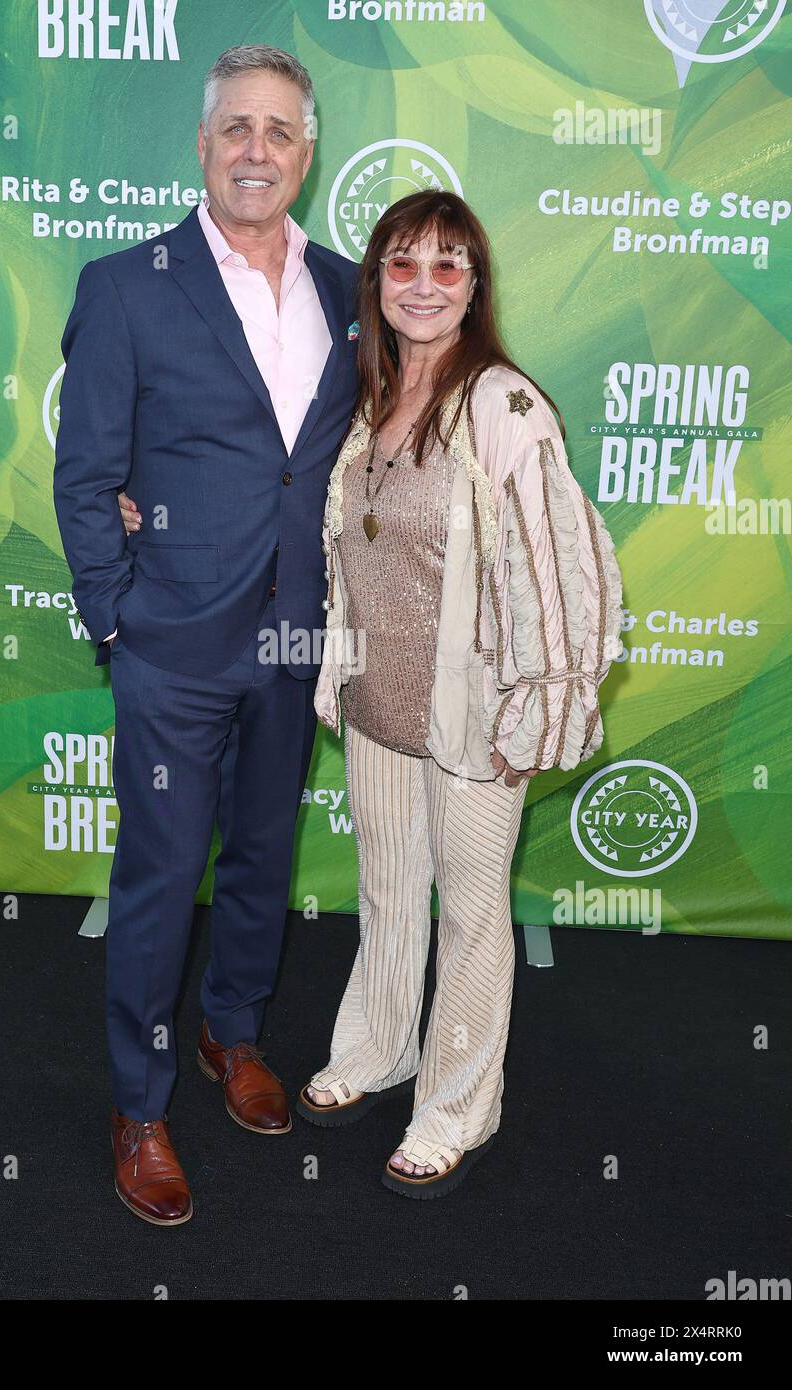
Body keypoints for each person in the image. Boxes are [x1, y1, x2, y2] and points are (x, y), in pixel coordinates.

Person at [53, 45, 360, 1227]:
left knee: (263, 862)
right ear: (200, 143)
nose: (255, 151)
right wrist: (117, 610)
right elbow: (87, 475)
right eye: (235, 127)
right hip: (171, 639)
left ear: (307, 152)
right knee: (161, 873)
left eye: (279, 132)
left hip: (294, 637)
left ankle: (237, 1034)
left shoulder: (344, 288)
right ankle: (141, 1103)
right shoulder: (129, 285)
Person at [295, 190, 624, 1198]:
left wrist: (541, 703)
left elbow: (556, 568)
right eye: (403, 264)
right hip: (380, 709)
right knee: (390, 892)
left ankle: (456, 1106)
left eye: (447, 265)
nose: (424, 284)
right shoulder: (367, 394)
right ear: (376, 285)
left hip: (477, 714)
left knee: (470, 911)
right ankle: (378, 1049)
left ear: (475, 285)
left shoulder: (504, 405)